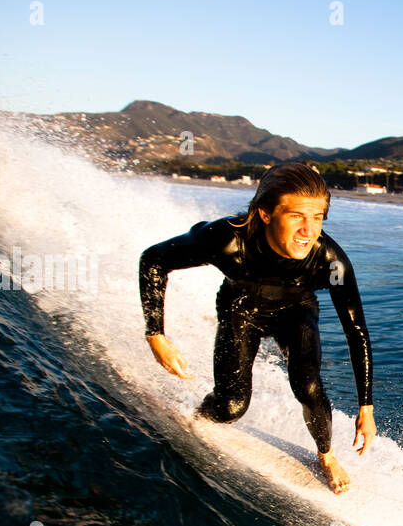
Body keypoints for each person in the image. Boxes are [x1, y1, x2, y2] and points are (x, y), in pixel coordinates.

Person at [139, 163, 373, 494]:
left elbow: (356, 332)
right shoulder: (225, 241)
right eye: (296, 216)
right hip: (240, 308)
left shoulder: (330, 262)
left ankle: (327, 455)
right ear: (265, 213)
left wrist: (366, 407)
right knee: (230, 407)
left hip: (296, 311)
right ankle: (197, 416)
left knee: (307, 385)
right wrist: (156, 334)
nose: (309, 230)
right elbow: (154, 260)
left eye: (318, 218)